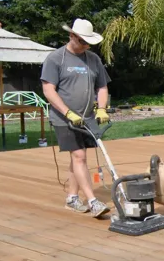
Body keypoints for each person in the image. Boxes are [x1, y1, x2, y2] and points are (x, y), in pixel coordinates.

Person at [40, 18, 112, 218]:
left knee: (77, 158)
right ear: (71, 36)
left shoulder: (93, 59)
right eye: (82, 41)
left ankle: (72, 198)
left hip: (87, 118)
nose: (85, 46)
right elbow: (48, 90)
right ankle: (93, 201)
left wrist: (102, 109)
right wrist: (67, 112)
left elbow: (102, 86)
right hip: (64, 118)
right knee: (79, 156)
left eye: (88, 43)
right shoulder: (56, 58)